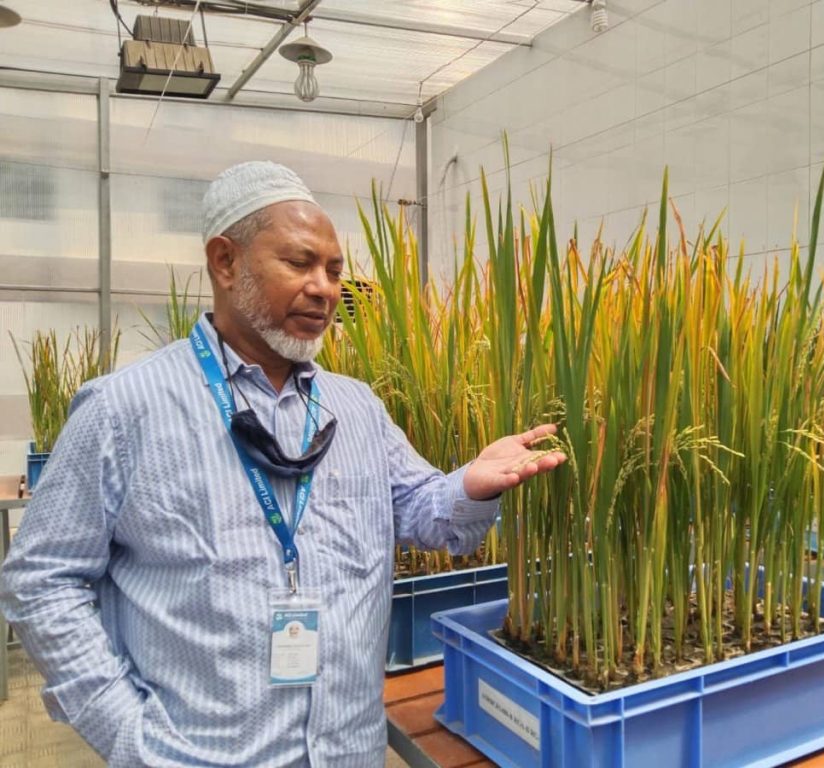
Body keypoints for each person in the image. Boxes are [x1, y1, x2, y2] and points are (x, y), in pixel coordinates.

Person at [0, 161, 565, 767]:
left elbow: (422, 511)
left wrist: (471, 486)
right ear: (225, 262)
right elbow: (42, 580)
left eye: (335, 270)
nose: (325, 288)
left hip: (348, 752)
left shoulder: (356, 407)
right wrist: (127, 735)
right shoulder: (124, 409)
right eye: (300, 264)